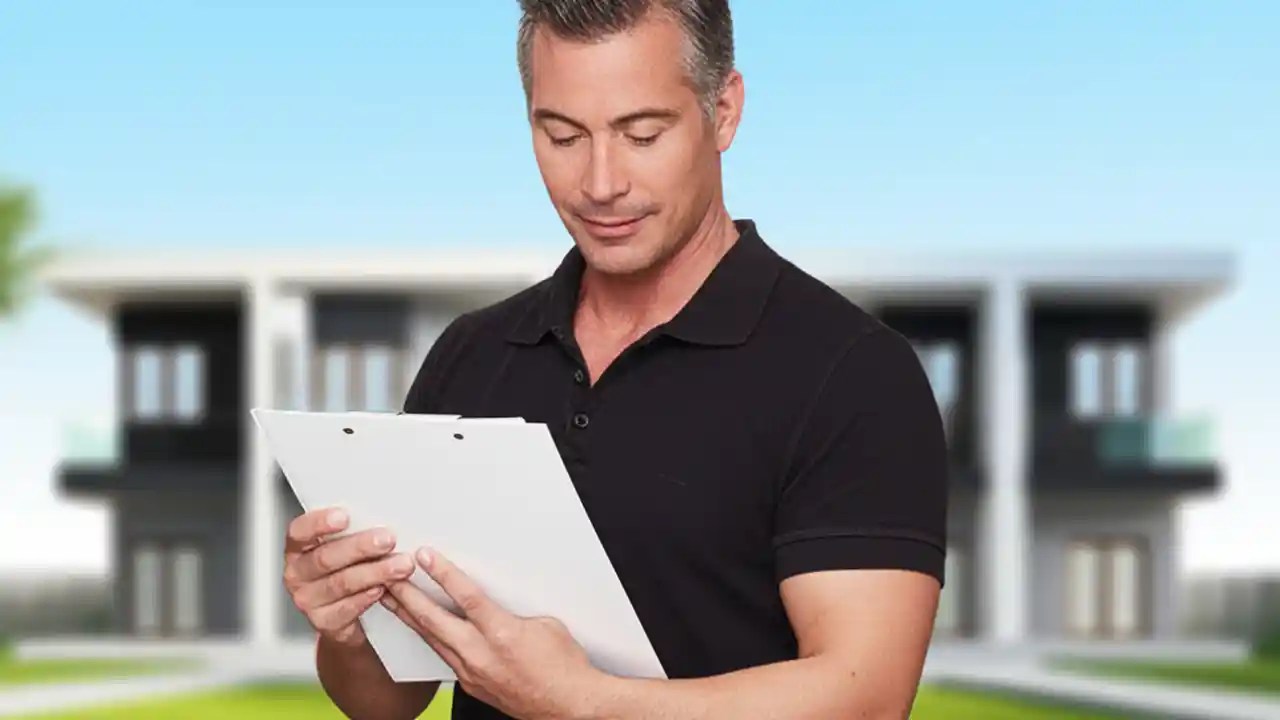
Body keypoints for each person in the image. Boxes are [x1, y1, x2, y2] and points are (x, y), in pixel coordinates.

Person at [282, 1, 948, 718]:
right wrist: (348, 629)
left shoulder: (854, 374)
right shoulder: (471, 355)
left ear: (723, 111)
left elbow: (867, 698)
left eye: (641, 134)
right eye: (562, 135)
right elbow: (388, 703)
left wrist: (582, 703)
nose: (600, 183)